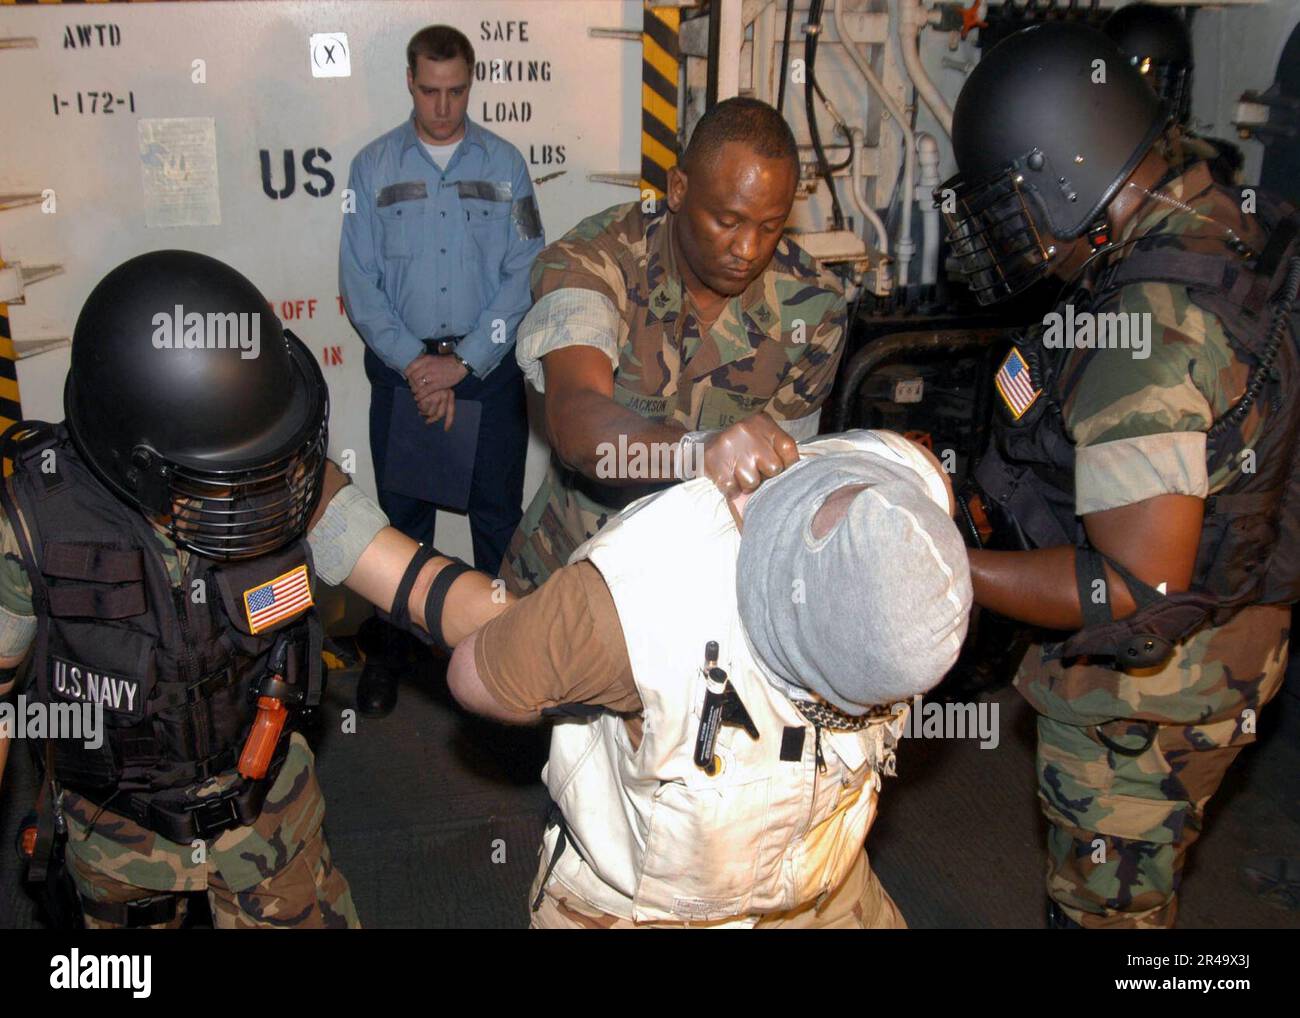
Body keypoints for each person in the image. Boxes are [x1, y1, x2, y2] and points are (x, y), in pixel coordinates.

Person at [0, 251, 505, 928]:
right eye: (225, 476)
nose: (262, 486)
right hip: (117, 843)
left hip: (267, 815)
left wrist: (568, 631)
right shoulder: (33, 525)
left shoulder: (275, 470)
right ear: (141, 466)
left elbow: (422, 586)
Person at [941, 22, 1300, 927]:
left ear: (1065, 180)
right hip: (1242, 627)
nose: (1002, 230)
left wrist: (947, 568)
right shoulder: (1214, 215)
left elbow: (1134, 583)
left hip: (1153, 700)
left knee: (1106, 915)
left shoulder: (1147, 340)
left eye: (1009, 202)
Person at [449, 429, 972, 927]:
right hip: (646, 908)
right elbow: (480, 677)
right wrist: (601, 676)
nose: (748, 497)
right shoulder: (637, 598)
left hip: (819, 867)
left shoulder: (912, 523)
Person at [498, 96, 847, 595]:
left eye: (770, 226)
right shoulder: (596, 261)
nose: (747, 249)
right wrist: (697, 451)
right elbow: (575, 421)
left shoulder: (813, 308)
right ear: (678, 188)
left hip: (705, 582)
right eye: (727, 221)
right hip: (573, 568)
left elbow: (783, 480)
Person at [340, 24, 543, 716]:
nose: (444, 107)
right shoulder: (371, 169)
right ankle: (393, 654)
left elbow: (524, 273)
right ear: (409, 82)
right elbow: (360, 284)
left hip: (485, 371)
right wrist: (419, 365)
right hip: (405, 373)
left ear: (470, 83)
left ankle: (499, 663)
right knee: (401, 524)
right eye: (430, 91)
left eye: (456, 91)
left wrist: (464, 362)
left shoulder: (508, 165)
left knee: (495, 520)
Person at [1103, 2, 1244, 183]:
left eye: (1160, 79)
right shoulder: (1088, 152)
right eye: (1141, 79)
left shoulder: (1212, 161)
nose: (1150, 93)